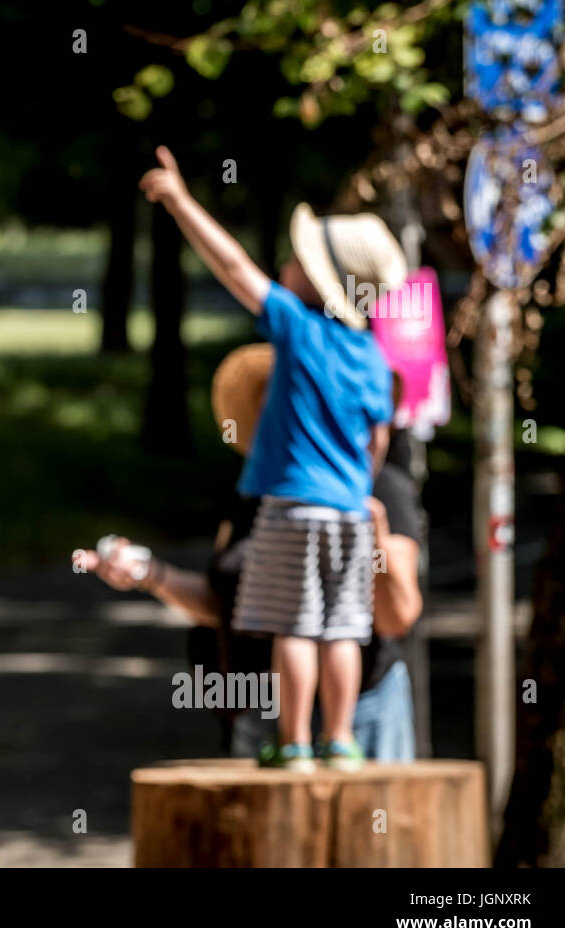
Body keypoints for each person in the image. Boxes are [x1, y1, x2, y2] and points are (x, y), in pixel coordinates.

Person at [135, 147, 404, 771]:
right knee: (343, 626)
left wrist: (180, 200)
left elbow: (233, 267)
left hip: (290, 510)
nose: (287, 265)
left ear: (320, 281)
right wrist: (359, 482)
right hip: (348, 513)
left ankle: (294, 742)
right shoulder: (370, 357)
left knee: (293, 626)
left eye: (301, 261)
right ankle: (340, 739)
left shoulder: (300, 329)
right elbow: (380, 437)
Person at [77, 344, 423, 763]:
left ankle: (330, 736)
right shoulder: (254, 494)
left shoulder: (377, 490)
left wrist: (377, 538)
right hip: (258, 711)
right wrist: (151, 573)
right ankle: (300, 741)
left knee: (306, 631)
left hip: (365, 710)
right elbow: (226, 602)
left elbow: (397, 616)